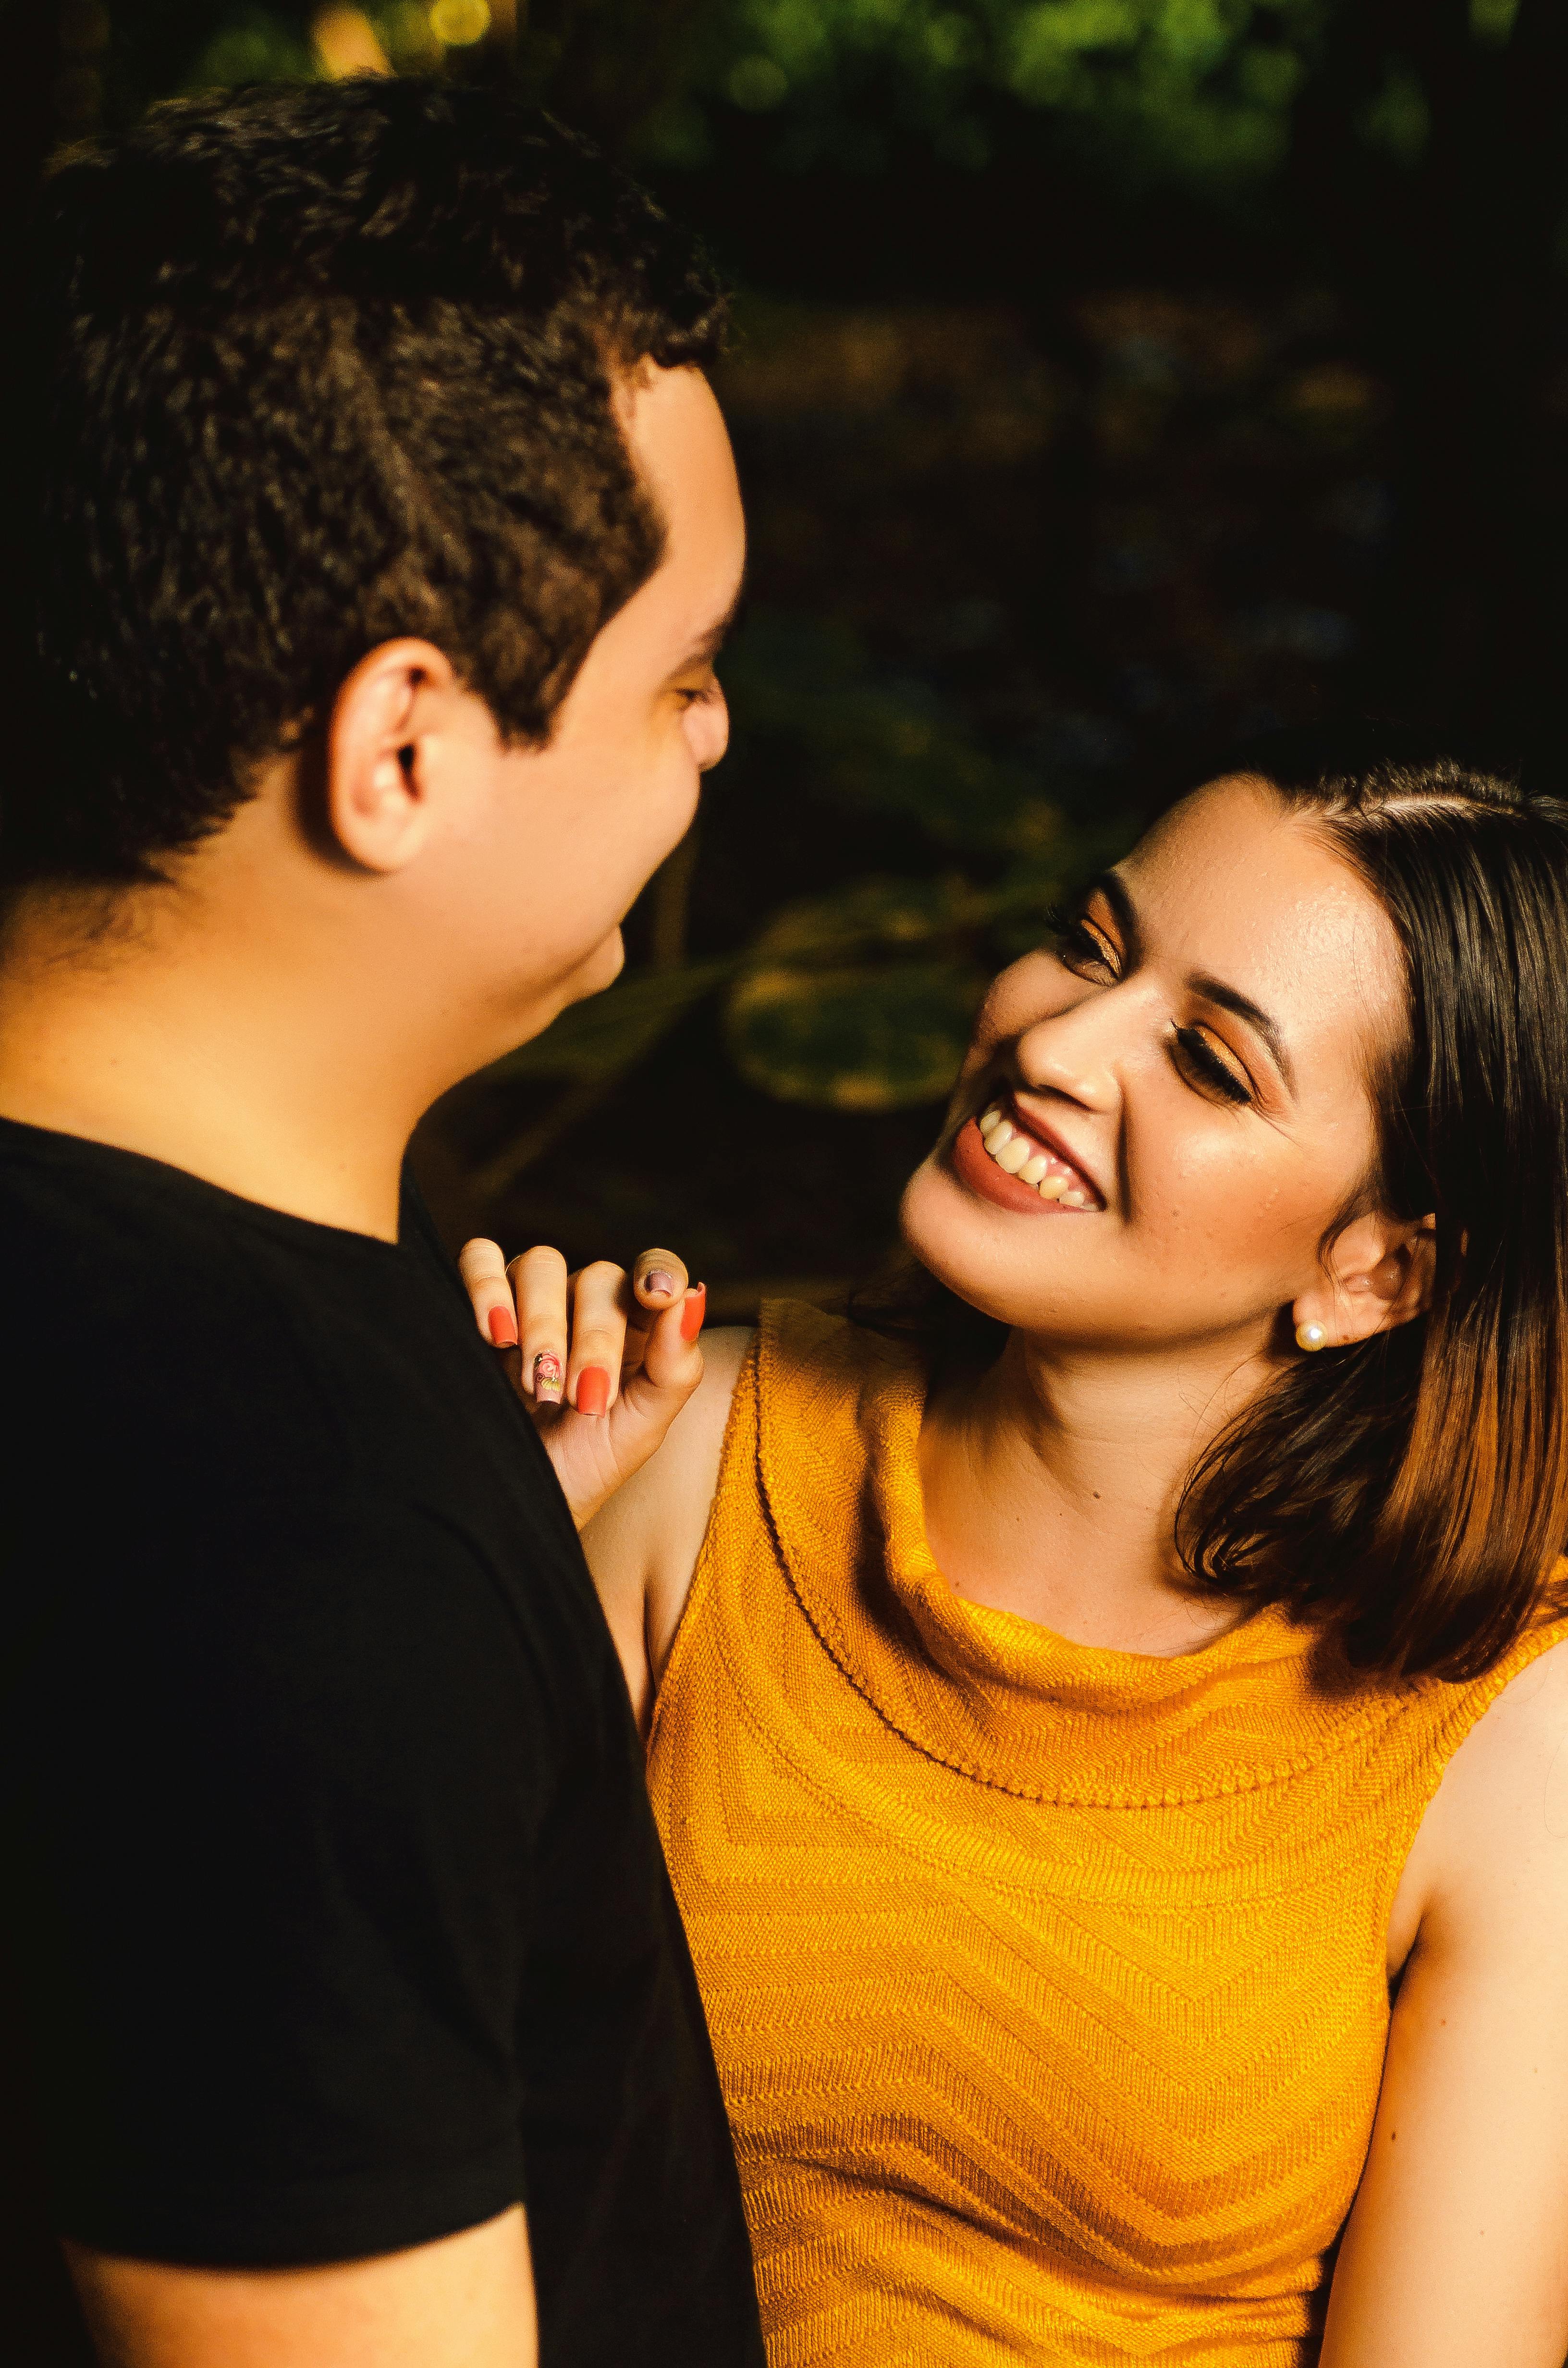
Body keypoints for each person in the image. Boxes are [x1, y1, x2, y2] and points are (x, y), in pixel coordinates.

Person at [466, 741, 1568, 2368]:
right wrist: (475, 1556)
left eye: (1207, 1061)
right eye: (1093, 944)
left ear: (1379, 1272)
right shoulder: (677, 1463)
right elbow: (305, 2076)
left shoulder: (1508, 1732)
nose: (1053, 1040)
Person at [0, 77, 762, 2368]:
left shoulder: (259, 1479)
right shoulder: (305, 1551)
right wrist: (390, 1618)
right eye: (684, 672)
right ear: (403, 748)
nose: (716, 743)